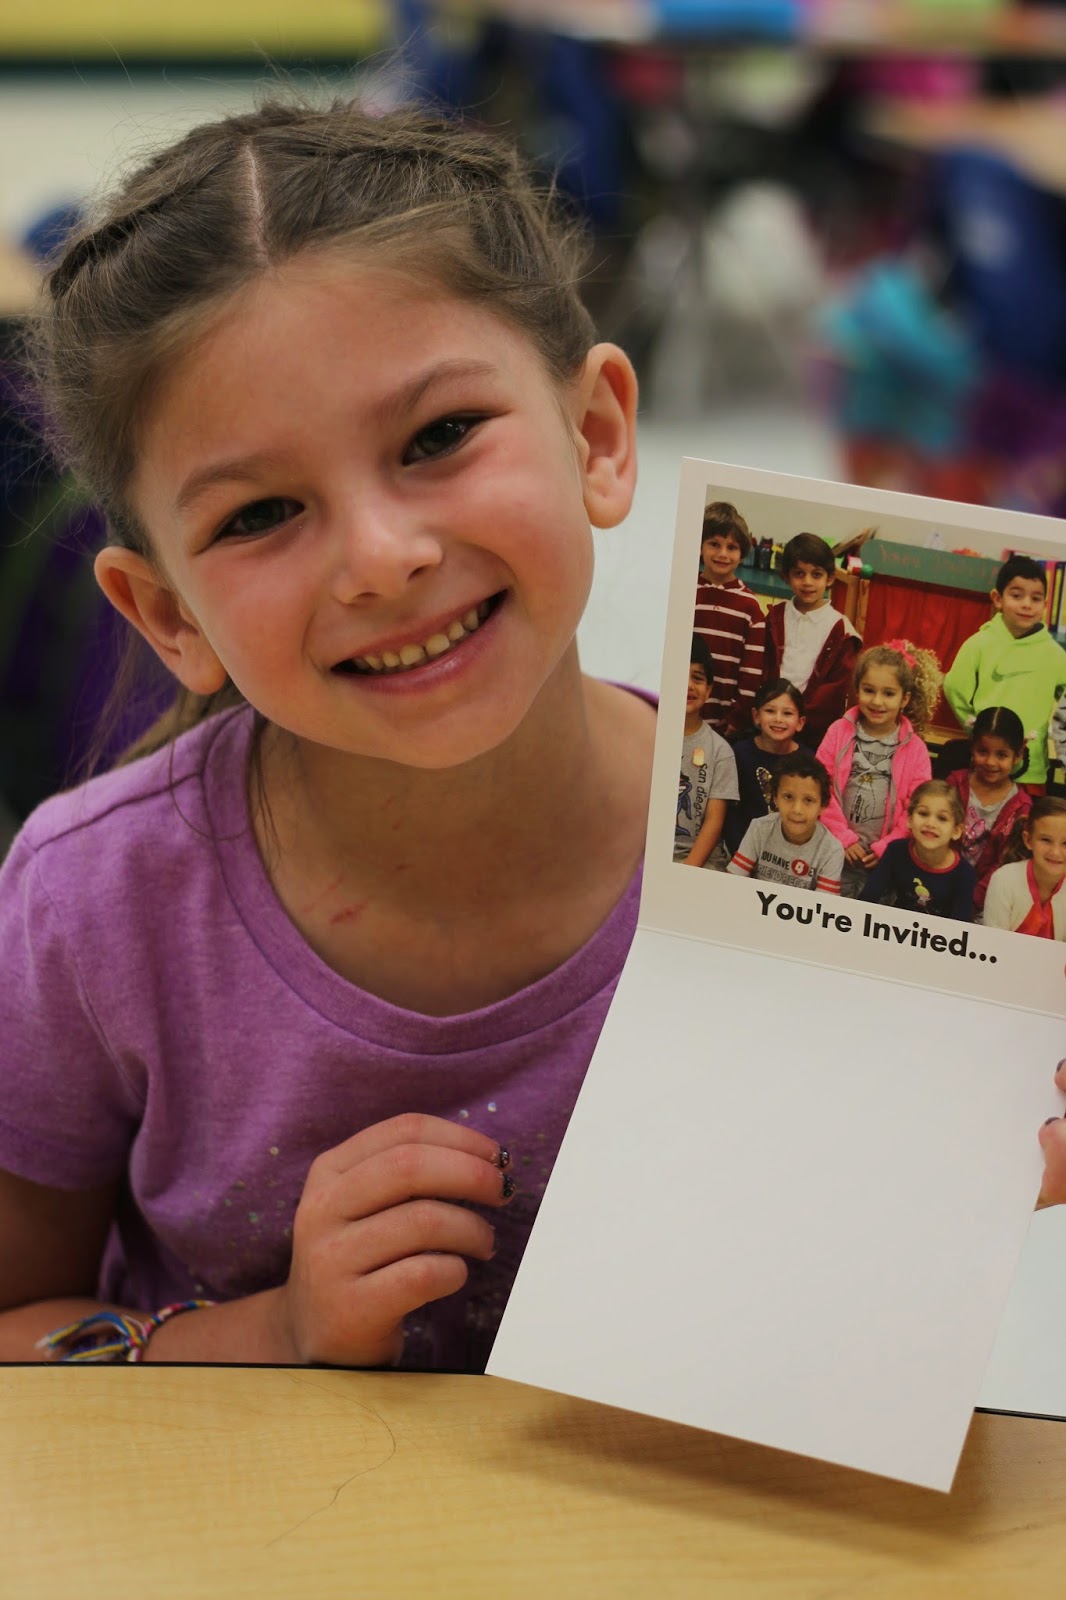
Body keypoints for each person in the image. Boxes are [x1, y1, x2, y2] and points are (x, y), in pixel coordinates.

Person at [0, 101, 656, 1371]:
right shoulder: (93, 907)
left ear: (597, 437)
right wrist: (276, 1330)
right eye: (259, 515)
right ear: (166, 615)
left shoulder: (807, 840)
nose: (379, 558)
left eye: (439, 437)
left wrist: (951, 1169)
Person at [816, 640, 939, 897]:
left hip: (884, 864)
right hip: (832, 851)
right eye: (869, 690)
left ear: (904, 698)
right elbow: (818, 786)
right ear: (857, 690)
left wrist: (886, 847)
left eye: (888, 694)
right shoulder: (838, 732)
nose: (877, 701)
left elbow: (918, 808)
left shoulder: (915, 749)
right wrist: (843, 838)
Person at [944, 554, 1066, 792]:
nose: (1027, 604)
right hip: (984, 762)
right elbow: (954, 687)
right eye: (1017, 595)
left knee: (1023, 827)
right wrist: (978, 732)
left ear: (1045, 605)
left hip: (1031, 769)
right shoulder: (979, 644)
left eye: (1036, 598)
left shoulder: (1055, 654)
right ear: (997, 598)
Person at [761, 532, 860, 749]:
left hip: (811, 737)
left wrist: (795, 719)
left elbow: (833, 692)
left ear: (830, 578)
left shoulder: (842, 631)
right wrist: (770, 714)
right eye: (799, 574)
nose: (807, 582)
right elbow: (763, 668)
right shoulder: (775, 616)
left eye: (816, 575)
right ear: (786, 576)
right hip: (767, 726)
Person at [945, 706, 1031, 919]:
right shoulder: (955, 784)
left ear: (1018, 754)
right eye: (983, 752)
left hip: (985, 906)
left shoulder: (1021, 808)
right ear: (972, 748)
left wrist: (970, 902)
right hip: (939, 889)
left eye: (1001, 755)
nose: (991, 762)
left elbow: (1006, 862)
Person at [691, 501, 766, 737]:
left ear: (742, 553)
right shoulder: (684, 592)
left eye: (731, 547)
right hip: (677, 710)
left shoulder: (751, 607)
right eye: (714, 544)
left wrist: (736, 719)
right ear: (700, 546)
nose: (723, 554)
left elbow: (751, 674)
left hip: (723, 726)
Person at [727, 748, 843, 893]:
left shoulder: (832, 850)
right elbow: (732, 882)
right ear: (775, 798)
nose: (797, 810)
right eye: (788, 797)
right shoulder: (759, 828)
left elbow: (824, 907)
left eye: (808, 800)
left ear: (823, 805)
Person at [860, 780, 975, 920]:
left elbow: (960, 928)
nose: (930, 823)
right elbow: (866, 901)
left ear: (956, 831)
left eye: (942, 818)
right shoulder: (895, 851)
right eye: (923, 813)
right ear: (909, 820)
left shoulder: (964, 874)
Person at [723, 677, 805, 857]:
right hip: (743, 852)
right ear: (756, 716)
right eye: (770, 711)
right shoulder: (739, 754)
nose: (778, 719)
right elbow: (730, 816)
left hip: (790, 856)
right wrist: (742, 856)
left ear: (800, 722)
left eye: (787, 713)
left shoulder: (807, 761)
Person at [675, 636, 739, 867]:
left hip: (699, 861)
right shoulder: (647, 731)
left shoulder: (720, 750)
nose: (689, 685)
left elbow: (714, 821)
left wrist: (686, 870)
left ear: (709, 689)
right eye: (681, 674)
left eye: (698, 678)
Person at [984, 797, 1066, 939]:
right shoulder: (1004, 880)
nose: (1055, 852)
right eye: (1046, 840)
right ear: (1028, 840)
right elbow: (993, 944)